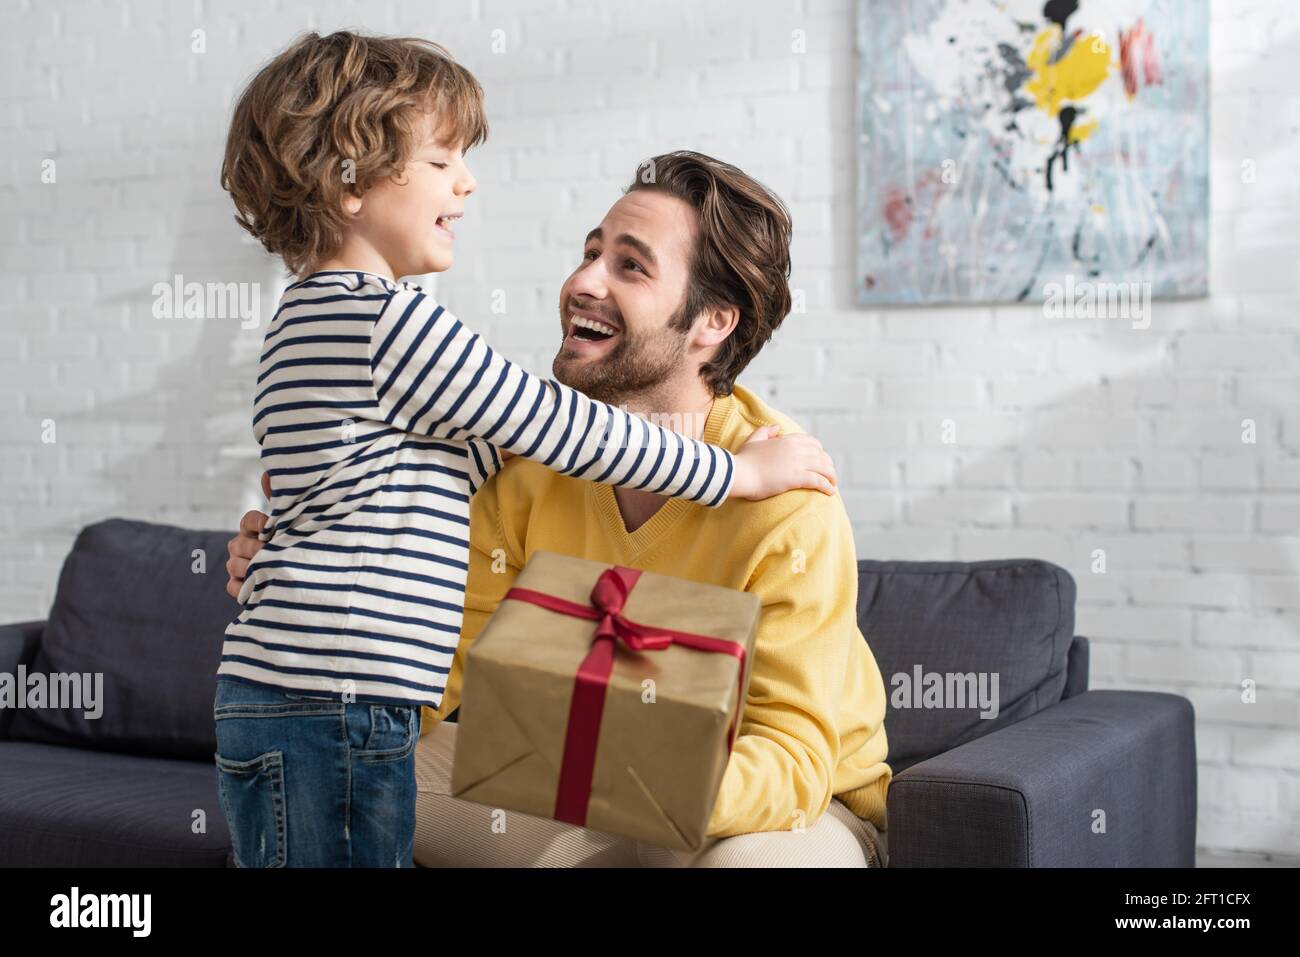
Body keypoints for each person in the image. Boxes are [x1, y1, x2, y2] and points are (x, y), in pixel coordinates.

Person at [212, 31, 837, 868]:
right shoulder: (492, 414)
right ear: (353, 183)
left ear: (713, 322)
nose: (583, 281)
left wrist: (299, 552)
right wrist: (299, 549)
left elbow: (794, 750)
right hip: (370, 712)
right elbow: (455, 641)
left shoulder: (786, 490)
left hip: (750, 798)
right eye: (589, 253)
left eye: (629, 266)